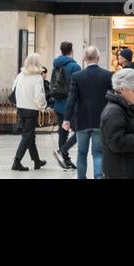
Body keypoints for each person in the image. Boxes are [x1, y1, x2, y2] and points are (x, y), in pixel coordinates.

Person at [63, 45, 113, 180]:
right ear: (98, 58)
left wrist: (66, 119)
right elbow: (112, 99)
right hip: (100, 121)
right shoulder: (107, 75)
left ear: (84, 58)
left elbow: (71, 99)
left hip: (82, 121)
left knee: (81, 153)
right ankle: (98, 177)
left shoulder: (77, 76)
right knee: (98, 153)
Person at [11, 53, 48, 172]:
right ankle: (17, 161)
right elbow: (39, 96)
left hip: (20, 108)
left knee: (30, 135)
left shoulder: (20, 75)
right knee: (27, 135)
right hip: (32, 110)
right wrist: (43, 106)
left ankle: (36, 161)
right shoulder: (37, 77)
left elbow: (13, 90)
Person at [51, 42, 81, 170]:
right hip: (72, 105)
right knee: (80, 131)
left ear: (61, 50)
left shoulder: (55, 66)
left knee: (62, 132)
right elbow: (80, 87)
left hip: (58, 104)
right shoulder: (75, 67)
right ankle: (63, 152)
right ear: (71, 50)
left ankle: (65, 159)